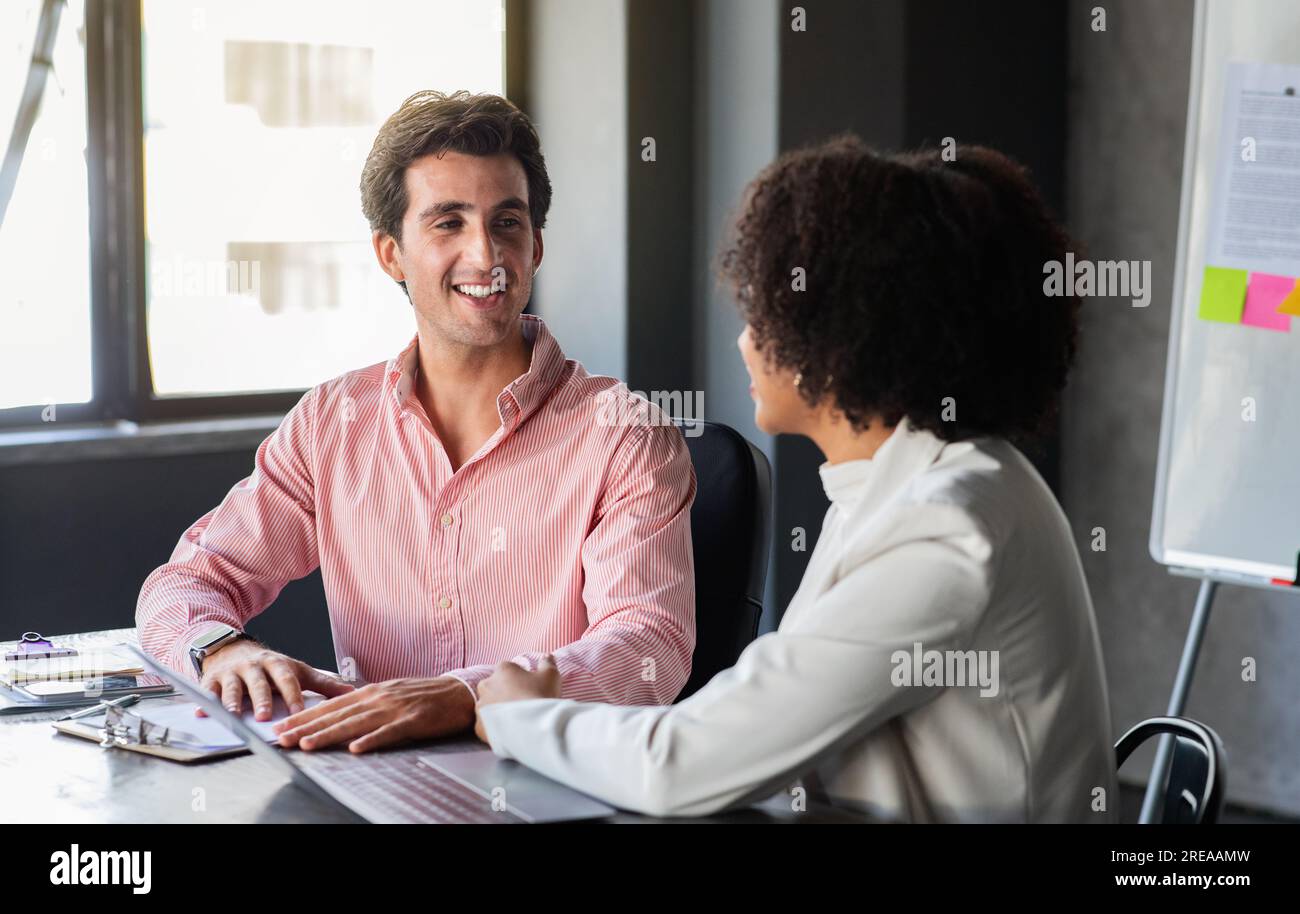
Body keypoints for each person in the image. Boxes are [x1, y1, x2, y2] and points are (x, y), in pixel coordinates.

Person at [472, 136, 1118, 823]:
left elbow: (680, 766)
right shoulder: (906, 486)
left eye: (764, 315)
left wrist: (522, 713)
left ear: (846, 332)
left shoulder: (949, 527)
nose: (744, 342)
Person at [135, 91, 696, 754]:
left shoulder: (626, 437)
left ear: (537, 245)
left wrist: (470, 695)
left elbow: (647, 646)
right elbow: (189, 581)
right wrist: (221, 648)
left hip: (548, 786)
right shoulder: (331, 425)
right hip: (370, 782)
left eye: (507, 222)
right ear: (391, 254)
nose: (485, 254)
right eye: (448, 223)